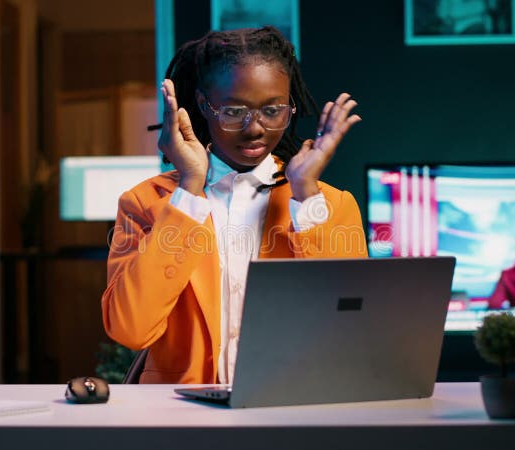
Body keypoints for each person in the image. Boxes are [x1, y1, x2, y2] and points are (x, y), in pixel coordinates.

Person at [101, 27, 367, 384]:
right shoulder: (145, 203)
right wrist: (189, 191)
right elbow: (130, 329)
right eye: (232, 110)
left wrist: (304, 194)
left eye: (273, 110)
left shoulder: (329, 205)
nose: (254, 128)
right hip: (183, 423)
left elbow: (350, 332)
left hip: (291, 414)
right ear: (202, 105)